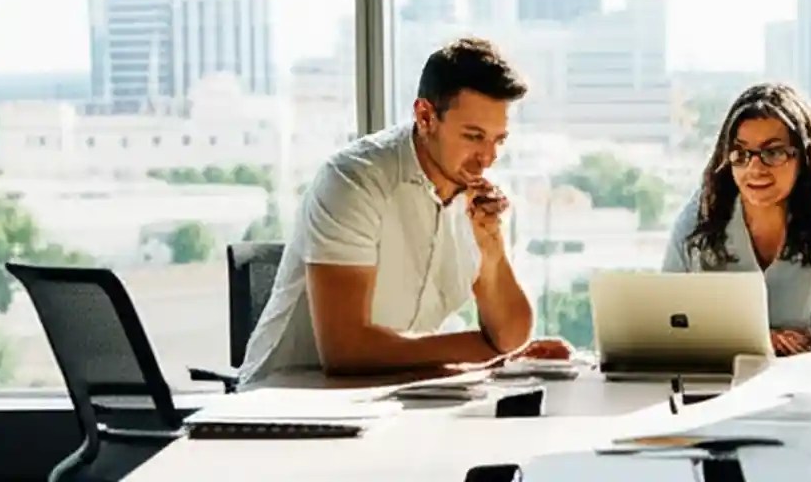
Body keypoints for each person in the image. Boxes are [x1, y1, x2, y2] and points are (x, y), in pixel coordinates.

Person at [240, 37, 569, 385]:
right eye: (473, 136)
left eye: (498, 139)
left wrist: (492, 251)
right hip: (288, 399)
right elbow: (345, 351)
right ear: (426, 116)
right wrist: (485, 354)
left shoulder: (482, 201)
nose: (488, 158)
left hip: (399, 392)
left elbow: (509, 336)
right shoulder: (354, 180)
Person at [663, 83, 811, 354]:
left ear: (806, 158)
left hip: (801, 383)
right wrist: (763, 341)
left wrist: (730, 338)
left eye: (773, 152)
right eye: (741, 153)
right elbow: (671, 314)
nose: (755, 168)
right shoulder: (702, 212)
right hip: (713, 376)